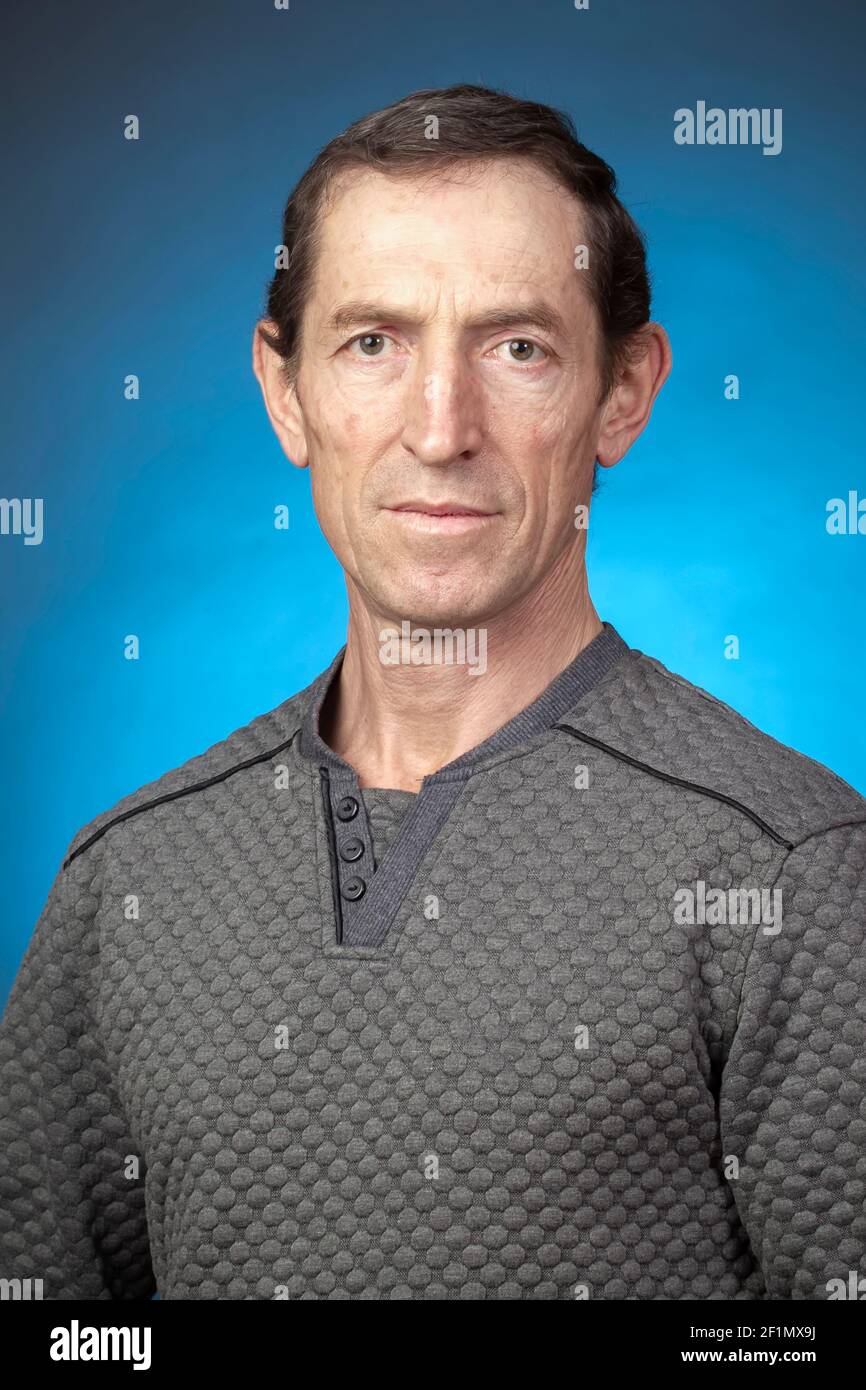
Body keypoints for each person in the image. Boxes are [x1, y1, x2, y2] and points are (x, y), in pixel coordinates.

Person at [1, 84, 863, 1301]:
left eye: (516, 347)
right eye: (373, 343)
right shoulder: (127, 883)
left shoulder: (792, 872)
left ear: (622, 391)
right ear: (285, 389)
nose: (439, 426)